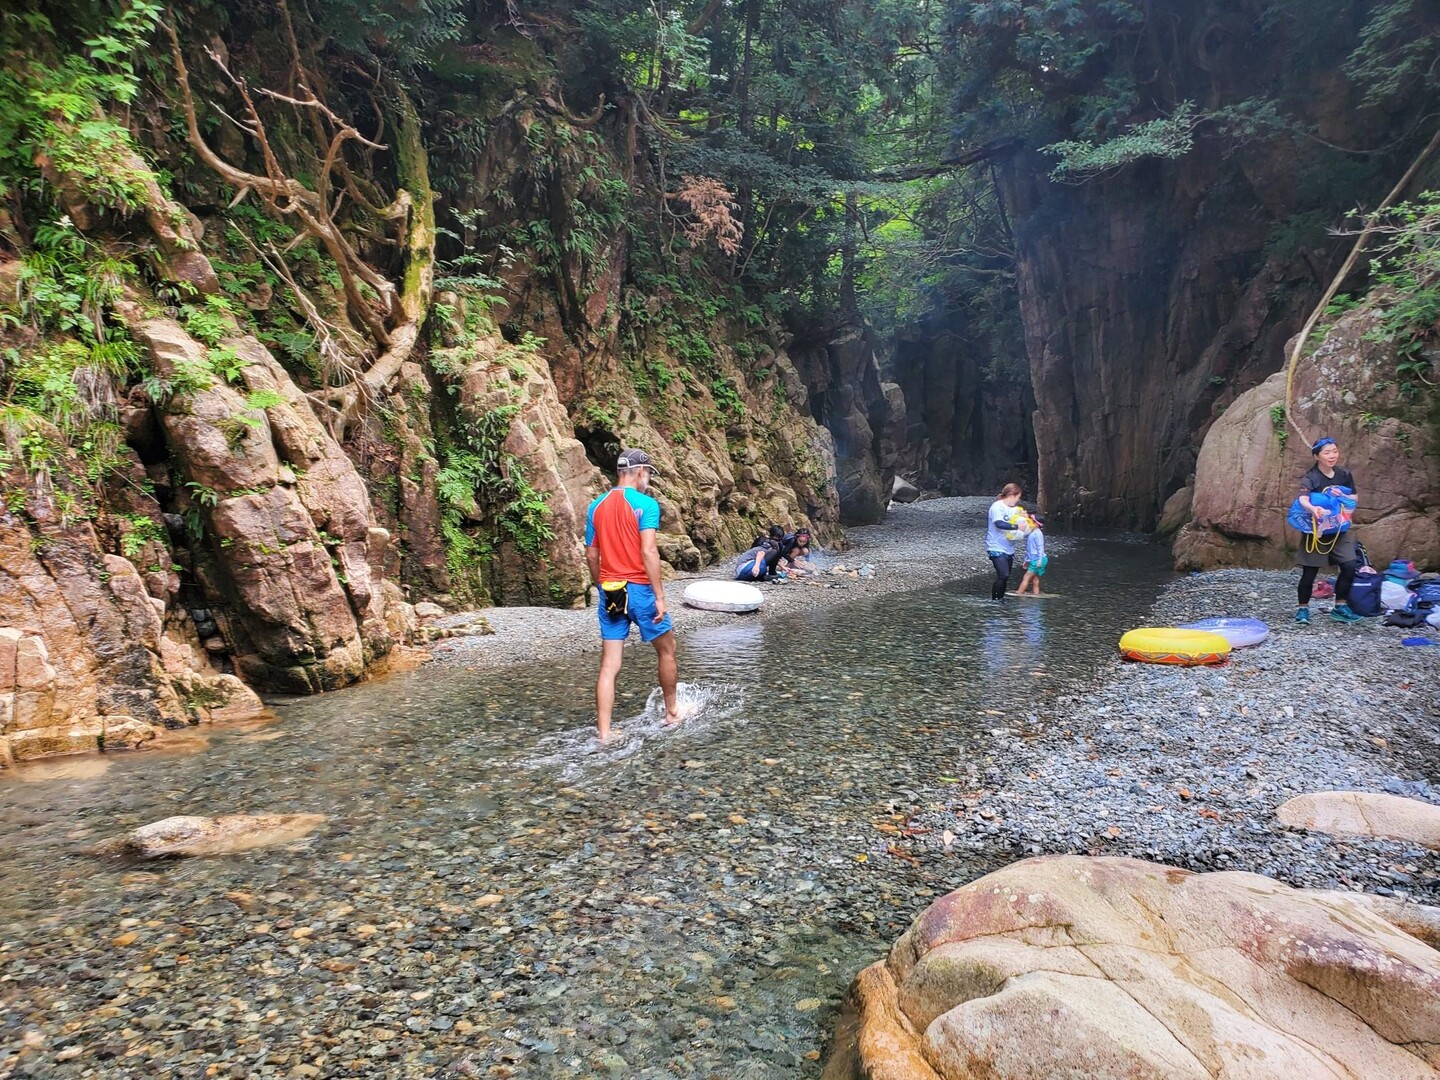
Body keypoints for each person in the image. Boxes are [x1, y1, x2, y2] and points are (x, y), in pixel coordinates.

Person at [585, 448, 680, 742]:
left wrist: (600, 585)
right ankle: (672, 713)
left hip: (611, 591)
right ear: (640, 472)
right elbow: (649, 551)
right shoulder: (647, 505)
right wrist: (660, 596)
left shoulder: (596, 506)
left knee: (609, 664)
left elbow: (591, 552)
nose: (648, 480)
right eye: (649, 474)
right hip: (639, 590)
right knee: (667, 649)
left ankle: (604, 734)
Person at [1293, 437, 1362, 625]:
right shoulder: (1311, 477)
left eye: (1334, 451)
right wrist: (1313, 509)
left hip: (1341, 528)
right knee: (1310, 572)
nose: (1332, 455)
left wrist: (1345, 497)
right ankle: (1303, 609)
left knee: (1349, 566)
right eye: (1327, 452)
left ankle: (1340, 607)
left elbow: (1354, 497)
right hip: (1317, 531)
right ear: (1317, 456)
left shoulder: (1344, 474)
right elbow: (1303, 499)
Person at [986, 483, 1029, 601]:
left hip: (1009, 548)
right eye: (1017, 497)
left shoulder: (1014, 509)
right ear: (1011, 495)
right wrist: (1016, 526)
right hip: (996, 547)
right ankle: (994, 600)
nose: (1017, 500)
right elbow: (999, 523)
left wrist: (1025, 518)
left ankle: (1000, 600)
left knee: (1005, 577)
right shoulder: (997, 506)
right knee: (1003, 574)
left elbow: (1026, 524)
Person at [1016, 514, 1047, 596]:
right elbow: (1030, 549)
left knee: (1026, 577)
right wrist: (1027, 560)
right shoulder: (1033, 532)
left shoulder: (1038, 533)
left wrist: (1039, 560)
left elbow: (1040, 547)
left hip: (1037, 559)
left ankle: (1019, 593)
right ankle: (1036, 595)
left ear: (1036, 524)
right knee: (1035, 579)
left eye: (1031, 521)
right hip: (1036, 559)